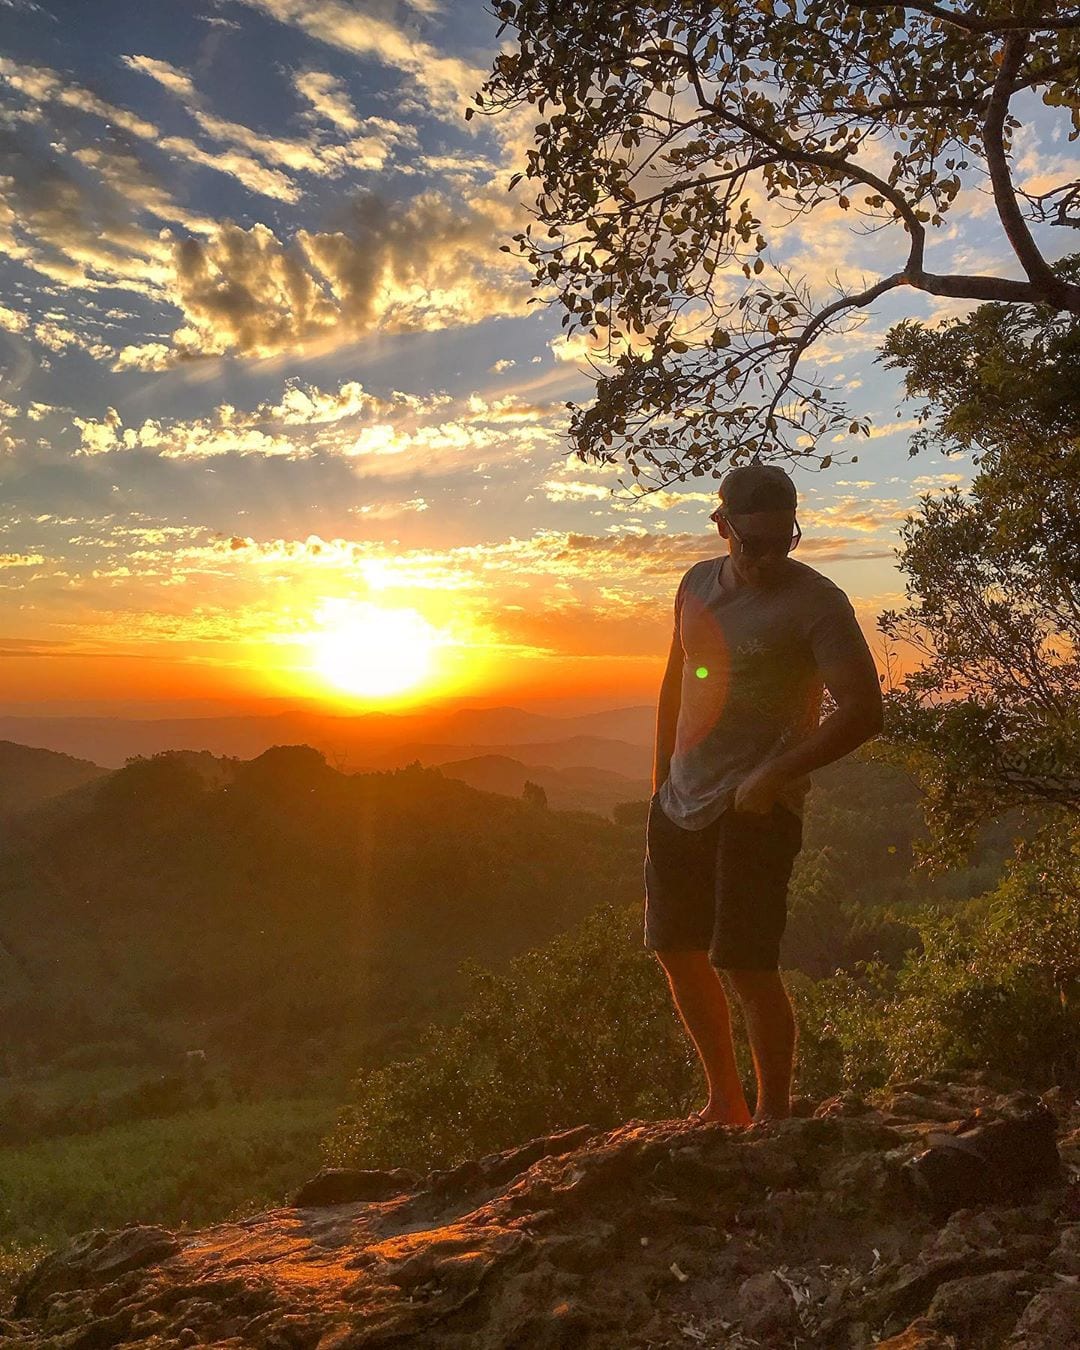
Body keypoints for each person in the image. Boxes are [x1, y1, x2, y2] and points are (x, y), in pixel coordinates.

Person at [644, 461, 883, 1125]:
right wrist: (660, 779)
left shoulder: (817, 603)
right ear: (722, 526)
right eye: (755, 544)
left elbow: (864, 709)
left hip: (758, 810)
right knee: (676, 949)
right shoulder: (695, 583)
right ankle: (725, 1101)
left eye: (787, 540)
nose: (772, 556)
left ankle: (775, 1117)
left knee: (747, 965)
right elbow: (677, 680)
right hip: (681, 800)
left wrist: (774, 775)